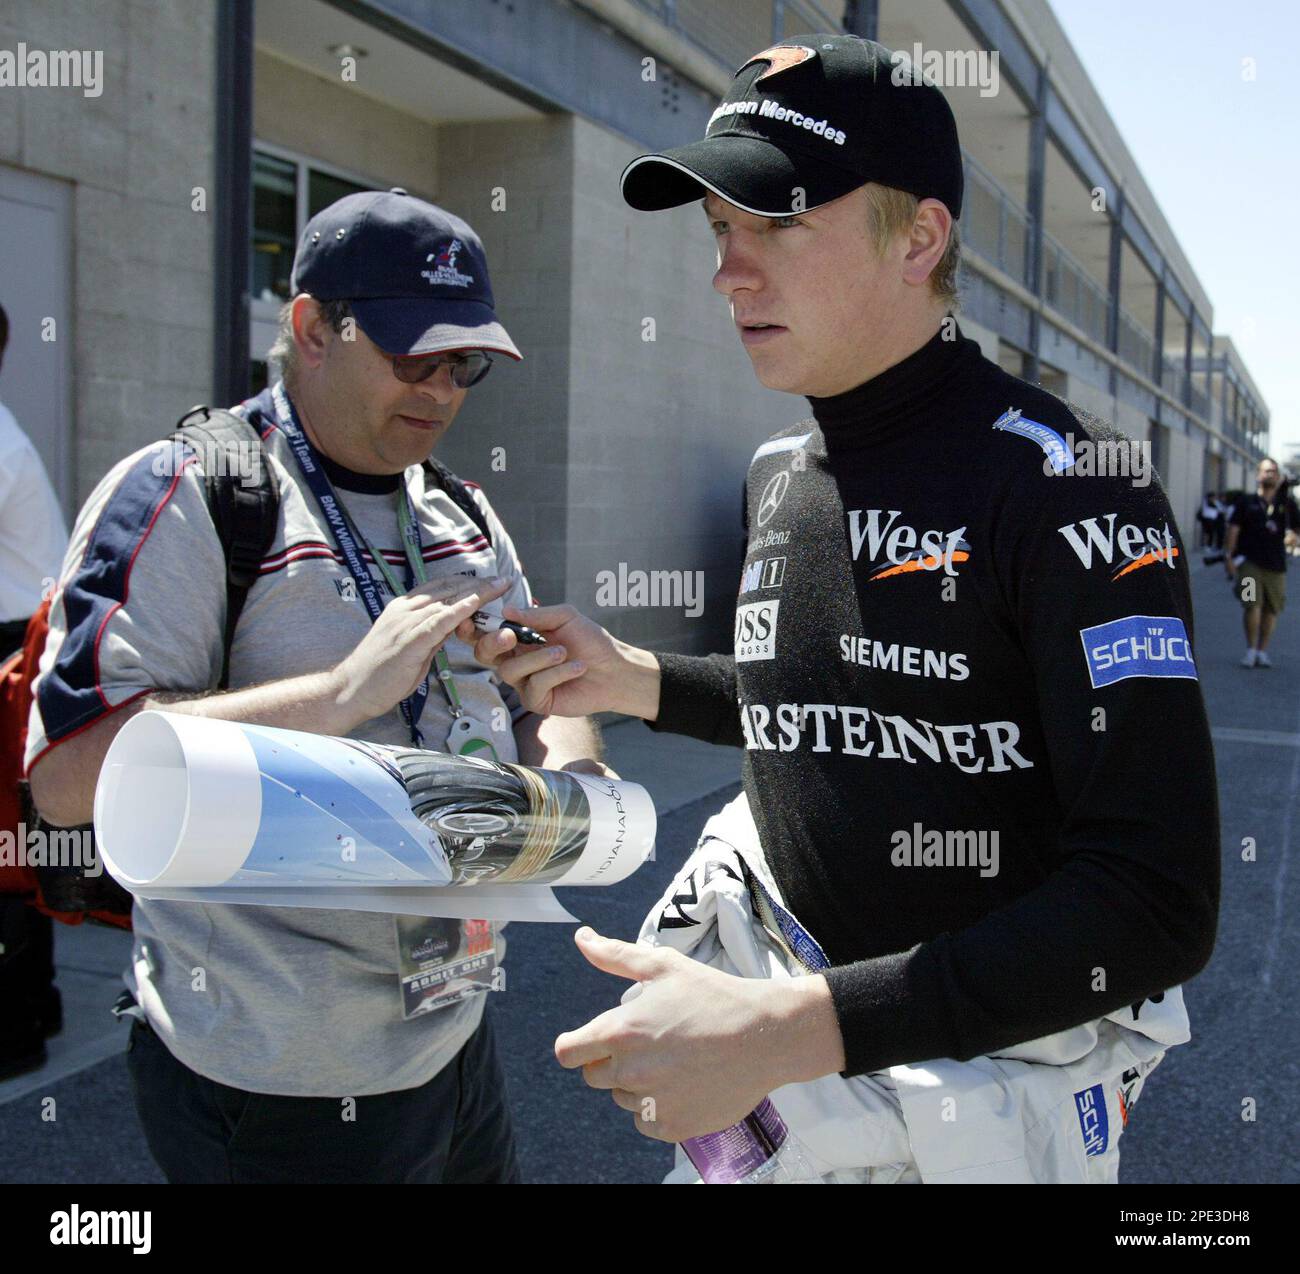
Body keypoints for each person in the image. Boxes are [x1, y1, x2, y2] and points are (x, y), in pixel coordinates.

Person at [470, 35, 1219, 1175]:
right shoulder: (780, 469)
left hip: (971, 1107)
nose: (728, 270)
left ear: (919, 236)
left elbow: (1155, 902)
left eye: (776, 224)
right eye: (720, 228)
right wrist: (636, 680)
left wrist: (783, 1031)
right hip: (782, 1092)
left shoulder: (1068, 482)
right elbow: (832, 704)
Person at [25, 190, 607, 1182]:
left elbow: (548, 702)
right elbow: (69, 775)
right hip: (274, 1081)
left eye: (463, 363)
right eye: (408, 353)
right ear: (309, 328)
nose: (440, 389)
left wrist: (571, 783)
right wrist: (339, 691)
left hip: (451, 1028)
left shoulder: (461, 508)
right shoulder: (196, 493)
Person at [0, 300, 71, 1081]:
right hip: (20, 642)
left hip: (16, 650)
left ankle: (16, 1030)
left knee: (9, 848)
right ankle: (36, 1001)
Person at [1226, 458, 1300, 668]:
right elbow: (1233, 530)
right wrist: (1229, 557)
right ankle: (1250, 650)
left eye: (1273, 471)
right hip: (1249, 563)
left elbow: (1296, 530)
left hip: (1276, 566)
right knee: (1252, 605)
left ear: (1278, 476)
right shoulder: (1245, 502)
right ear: (1258, 474)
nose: (1270, 474)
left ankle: (1261, 651)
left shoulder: (1286, 504)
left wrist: (1294, 538)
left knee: (1272, 609)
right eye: (1266, 471)